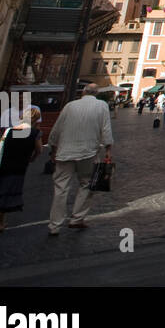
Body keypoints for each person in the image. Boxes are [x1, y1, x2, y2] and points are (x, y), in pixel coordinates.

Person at [47, 83, 113, 236]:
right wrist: (108, 149)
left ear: (83, 92)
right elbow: (106, 128)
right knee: (87, 184)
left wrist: (53, 148)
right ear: (96, 94)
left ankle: (54, 225)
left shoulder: (70, 106)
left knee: (61, 188)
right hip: (88, 152)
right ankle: (77, 218)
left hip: (65, 151)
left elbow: (57, 128)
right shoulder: (102, 106)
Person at [0, 107, 43, 240]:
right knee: (4, 197)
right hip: (18, 168)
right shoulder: (34, 133)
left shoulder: (8, 130)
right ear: (36, 119)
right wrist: (32, 158)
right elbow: (39, 150)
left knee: (1, 192)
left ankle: (1, 224)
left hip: (2, 167)